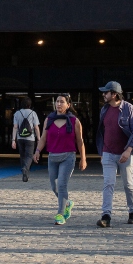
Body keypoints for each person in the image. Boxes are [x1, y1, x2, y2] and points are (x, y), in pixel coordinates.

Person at [32, 94, 87, 225]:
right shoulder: (49, 119)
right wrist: (37, 151)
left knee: (62, 184)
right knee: (54, 186)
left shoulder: (74, 121)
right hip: (53, 157)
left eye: (62, 102)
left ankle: (60, 214)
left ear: (68, 105)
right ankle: (67, 202)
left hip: (68, 156)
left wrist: (83, 158)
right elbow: (43, 138)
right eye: (57, 101)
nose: (59, 104)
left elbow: (80, 141)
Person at [96, 81, 133, 228]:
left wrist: (129, 150)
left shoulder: (128, 108)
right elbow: (102, 131)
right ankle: (106, 215)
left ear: (114, 94)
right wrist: (102, 150)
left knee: (128, 183)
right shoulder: (104, 109)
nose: (104, 94)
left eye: (106, 92)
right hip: (108, 152)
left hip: (125, 152)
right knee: (108, 183)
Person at [11, 97, 40, 181]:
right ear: (29, 104)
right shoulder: (33, 113)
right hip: (30, 138)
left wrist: (13, 140)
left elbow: (15, 127)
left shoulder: (17, 113)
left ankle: (25, 174)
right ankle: (25, 168)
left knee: (22, 156)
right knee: (29, 155)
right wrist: (39, 139)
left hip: (20, 138)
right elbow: (36, 127)